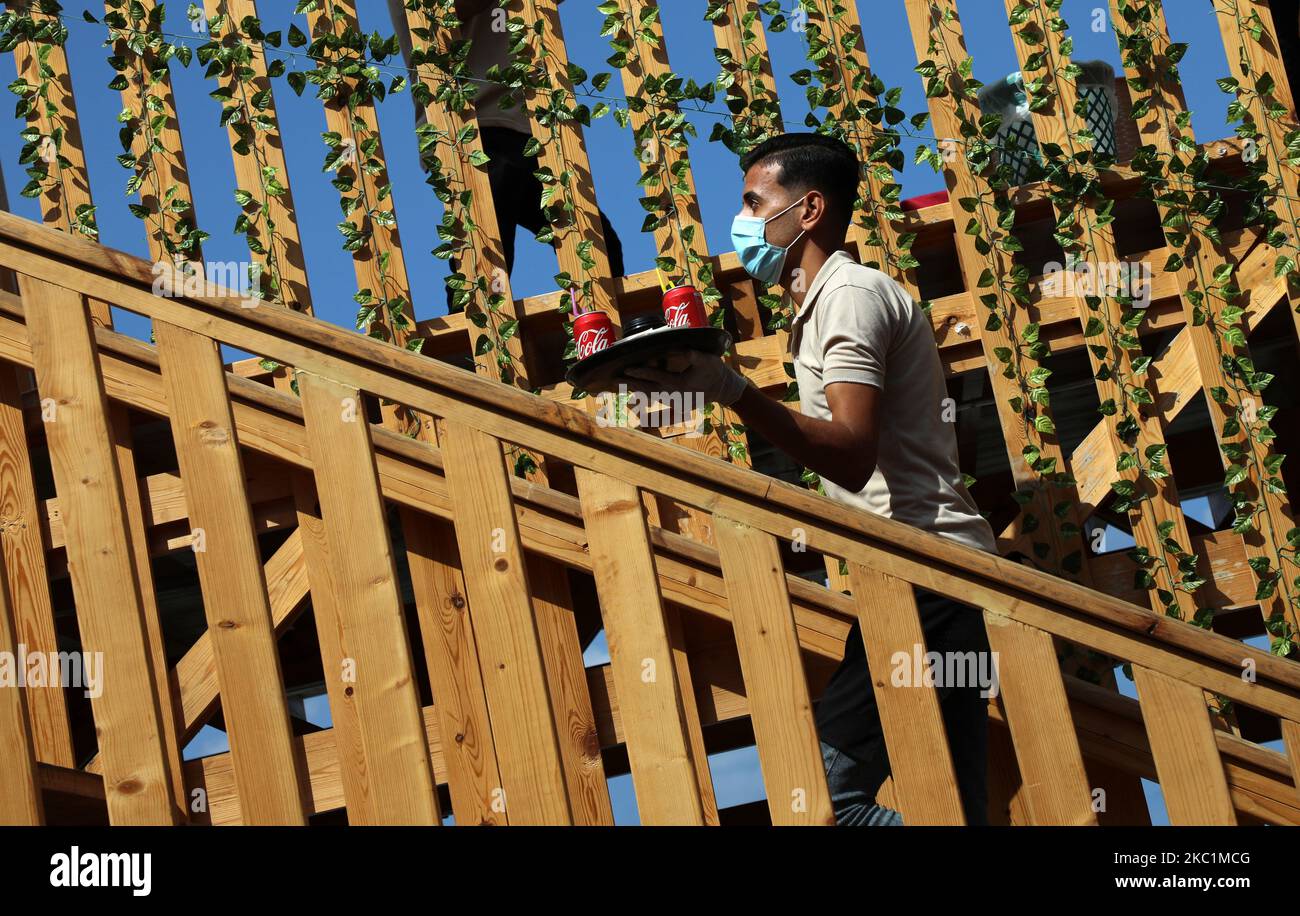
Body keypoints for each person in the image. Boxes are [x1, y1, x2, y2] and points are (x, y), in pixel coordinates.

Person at [613, 133, 996, 826]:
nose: (744, 223)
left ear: (810, 208)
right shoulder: (827, 304)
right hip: (928, 573)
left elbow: (851, 452)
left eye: (755, 203)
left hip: (927, 573)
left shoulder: (848, 297)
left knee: (826, 800)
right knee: (959, 804)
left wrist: (729, 389)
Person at [385, 0, 625, 312]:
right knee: (486, 256)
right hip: (472, 123)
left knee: (597, 245)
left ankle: (603, 336)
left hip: (529, 128)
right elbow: (441, 10)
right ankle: (471, 351)